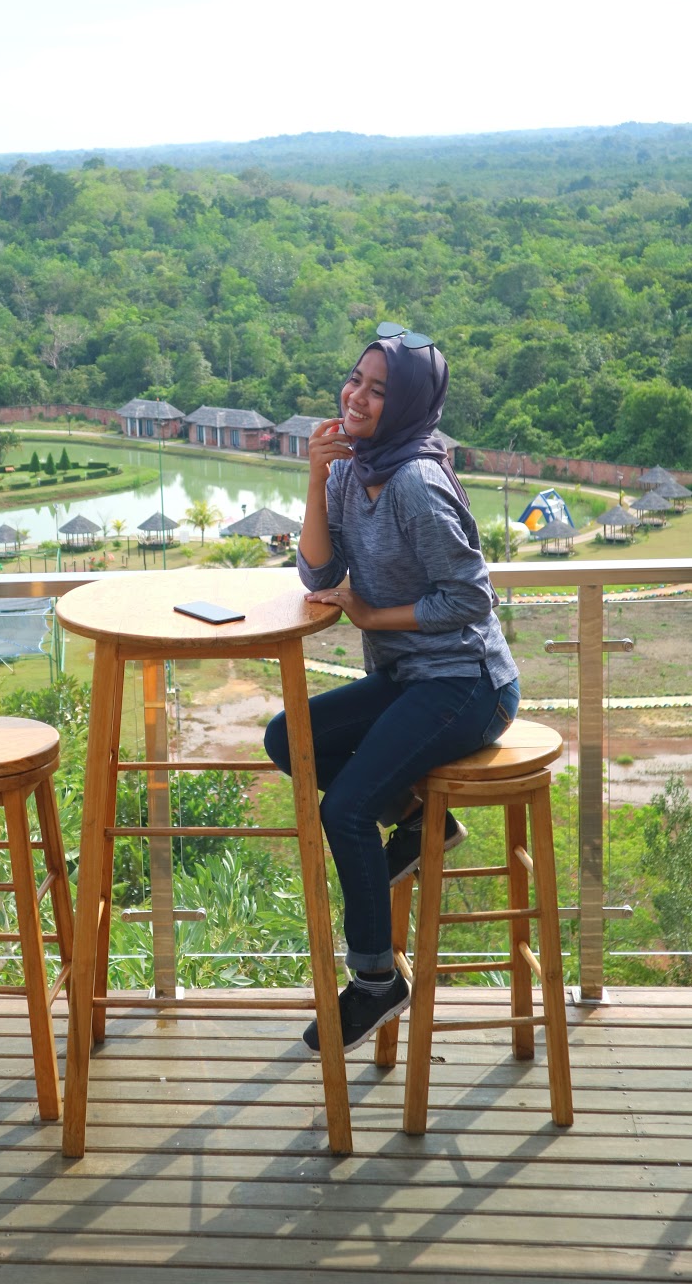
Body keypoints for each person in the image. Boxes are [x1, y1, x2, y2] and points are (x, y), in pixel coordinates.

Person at [264, 324, 520, 1054]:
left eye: (379, 390)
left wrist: (374, 614)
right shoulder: (351, 469)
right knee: (288, 739)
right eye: (355, 380)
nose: (357, 397)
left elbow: (470, 598)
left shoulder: (414, 482)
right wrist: (315, 476)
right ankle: (422, 821)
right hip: (408, 676)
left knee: (342, 809)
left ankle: (376, 981)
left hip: (467, 683)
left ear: (408, 404)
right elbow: (315, 575)